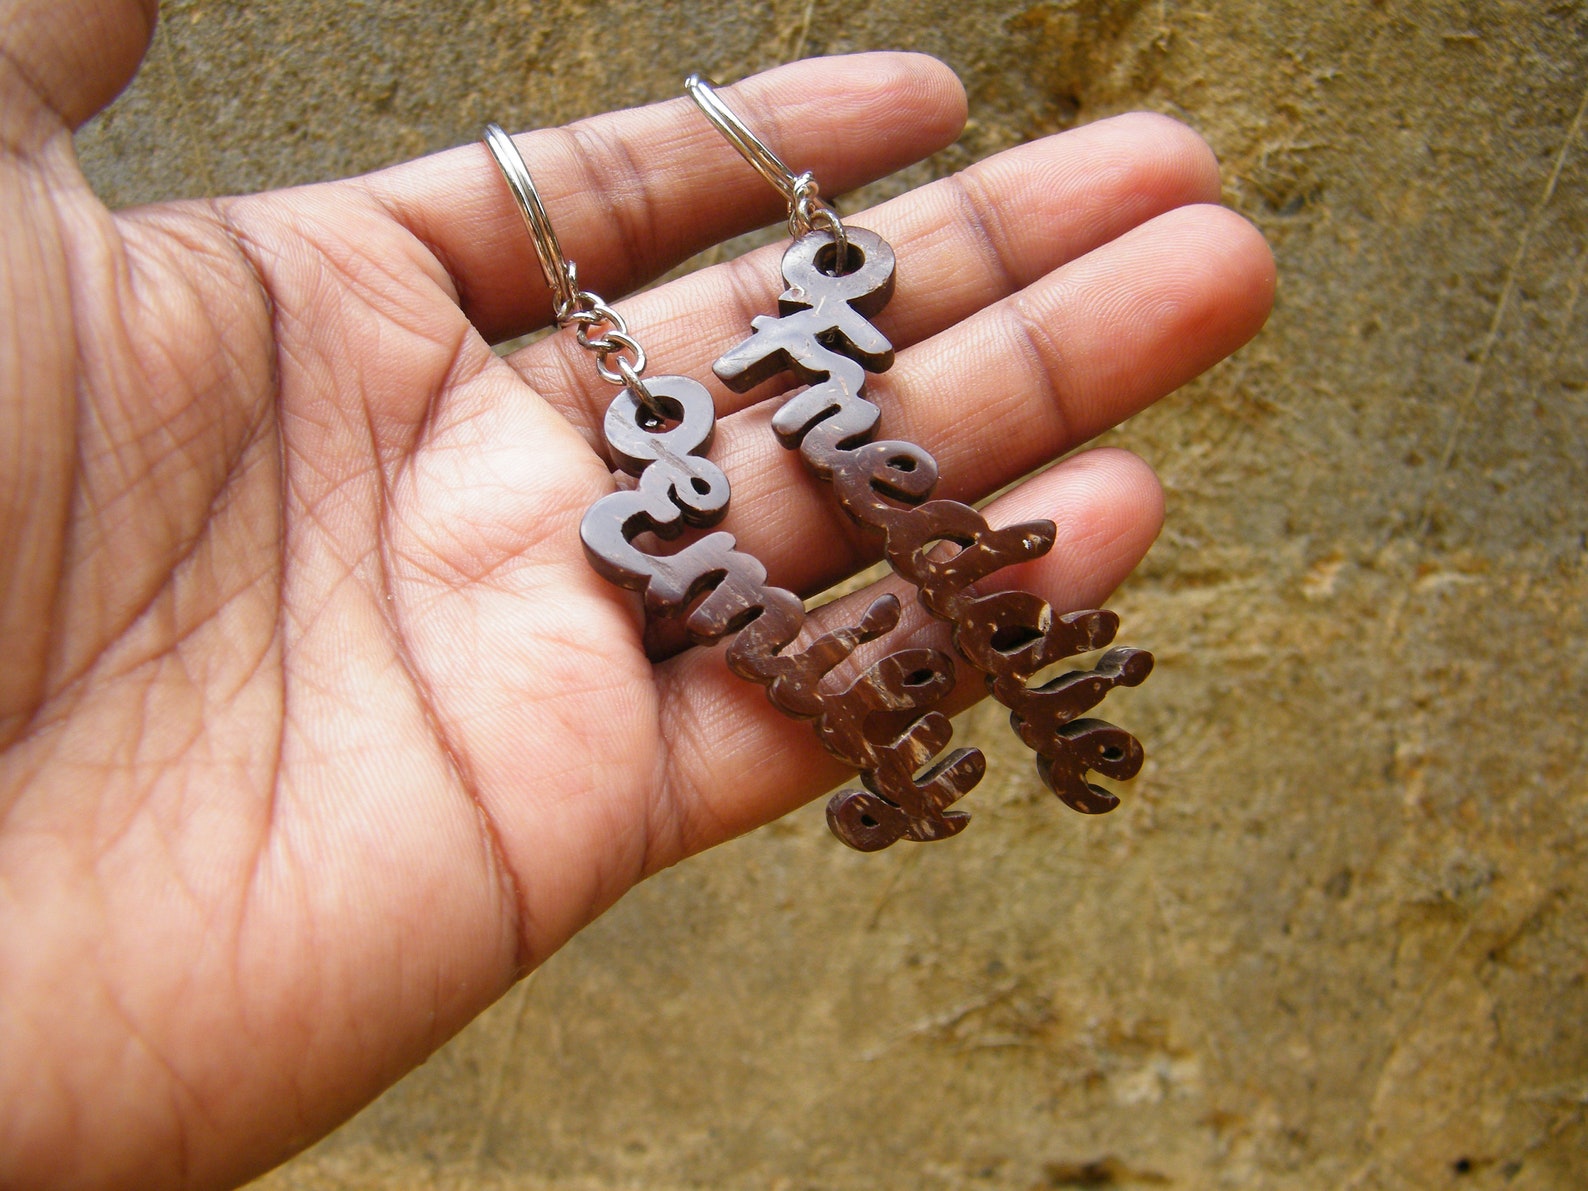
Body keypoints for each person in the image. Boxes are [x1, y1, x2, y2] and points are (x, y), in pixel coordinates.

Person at [0, 0, 1275, 1186]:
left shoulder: (802, 393)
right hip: (773, 569)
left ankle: (1003, 709)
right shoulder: (675, 484)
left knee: (884, 545)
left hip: (836, 523)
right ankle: (957, 725)